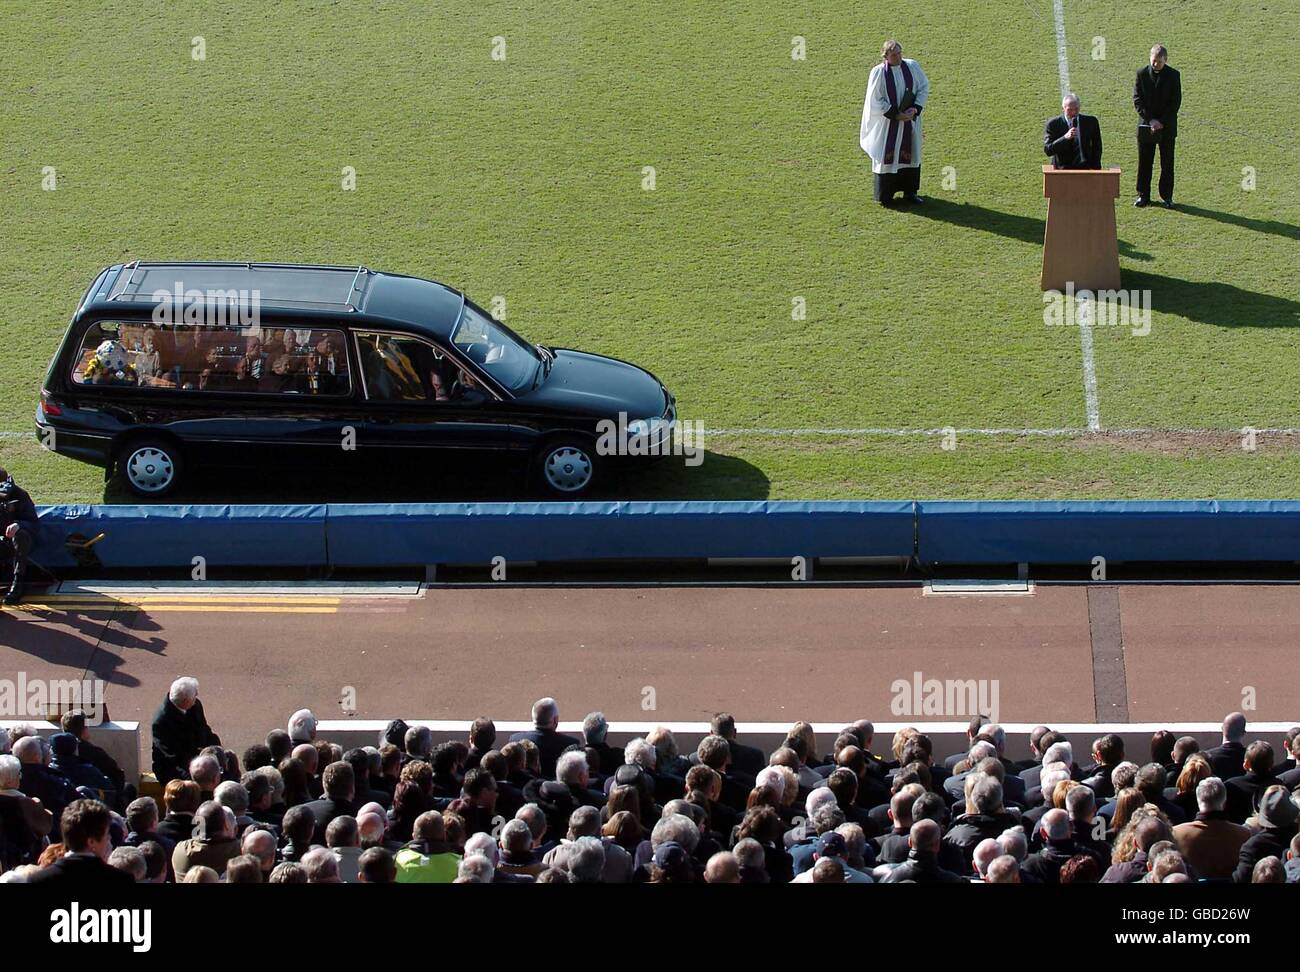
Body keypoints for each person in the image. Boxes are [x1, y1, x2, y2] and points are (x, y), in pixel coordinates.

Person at [860, 39, 929, 205]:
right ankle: (885, 194)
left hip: (909, 122)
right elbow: (875, 100)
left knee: (911, 153)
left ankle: (910, 192)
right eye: (893, 55)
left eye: (899, 53)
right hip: (888, 125)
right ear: (885, 56)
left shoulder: (912, 66)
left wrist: (915, 109)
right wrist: (895, 115)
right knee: (887, 156)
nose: (898, 57)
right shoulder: (878, 73)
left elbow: (923, 87)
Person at [27, 799, 134, 886]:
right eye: (106, 834)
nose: (108, 839)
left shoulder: (37, 880)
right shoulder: (122, 880)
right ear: (91, 842)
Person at [1132, 43, 1181, 207]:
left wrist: (1161, 122)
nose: (1155, 64)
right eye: (1153, 61)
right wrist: (1151, 120)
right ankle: (1143, 195)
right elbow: (1138, 100)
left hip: (1166, 128)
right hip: (1146, 126)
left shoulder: (1174, 75)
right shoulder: (1141, 74)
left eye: (1158, 62)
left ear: (1165, 60)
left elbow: (1175, 103)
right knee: (1144, 162)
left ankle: (1167, 197)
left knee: (1167, 163)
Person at [151, 676, 221, 784]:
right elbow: (172, 756)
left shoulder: (195, 705)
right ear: (185, 701)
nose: (197, 696)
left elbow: (204, 730)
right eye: (194, 695)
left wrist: (216, 752)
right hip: (173, 766)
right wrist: (196, 772)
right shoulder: (161, 722)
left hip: (194, 757)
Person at [0, 466, 38, 605]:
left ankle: (18, 582)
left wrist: (18, 524)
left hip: (20, 541)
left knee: (20, 535)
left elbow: (34, 523)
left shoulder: (20, 495)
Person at [1044, 92, 1102, 170]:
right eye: (1070, 110)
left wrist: (1096, 169)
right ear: (1063, 109)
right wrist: (1065, 138)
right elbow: (1048, 150)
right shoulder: (1053, 124)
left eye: (1076, 109)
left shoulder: (1091, 122)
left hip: (1085, 169)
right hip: (1061, 170)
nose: (1074, 112)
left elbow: (1097, 147)